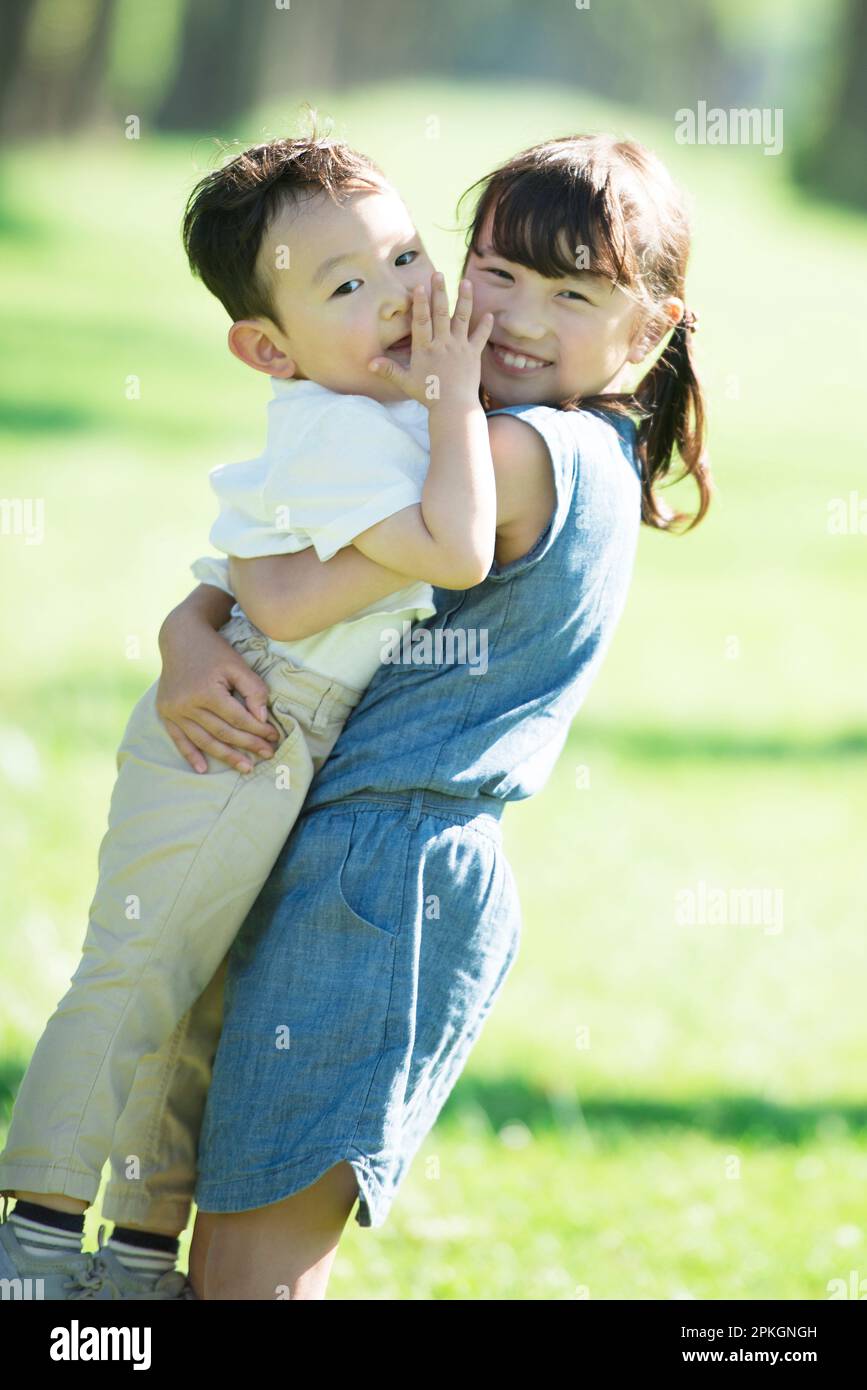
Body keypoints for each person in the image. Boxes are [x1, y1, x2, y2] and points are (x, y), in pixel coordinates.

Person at [4, 132, 713, 1301]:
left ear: (648, 328)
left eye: (573, 292)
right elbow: (285, 565)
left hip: (379, 883)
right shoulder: (487, 433)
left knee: (248, 1274)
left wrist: (209, 617)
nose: (519, 319)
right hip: (347, 858)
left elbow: (285, 588)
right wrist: (192, 628)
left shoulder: (508, 449)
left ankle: (37, 1245)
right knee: (215, 1243)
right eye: (498, 275)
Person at [0, 132, 498, 1301]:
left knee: (204, 1006)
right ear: (267, 348)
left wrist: (213, 604)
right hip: (234, 728)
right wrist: (460, 394)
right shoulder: (339, 422)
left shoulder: (391, 412)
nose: (400, 297)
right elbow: (459, 548)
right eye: (346, 287)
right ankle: (31, 1237)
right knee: (140, 974)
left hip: (279, 728)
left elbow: (258, 571)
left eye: (406, 256)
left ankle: (130, 1256)